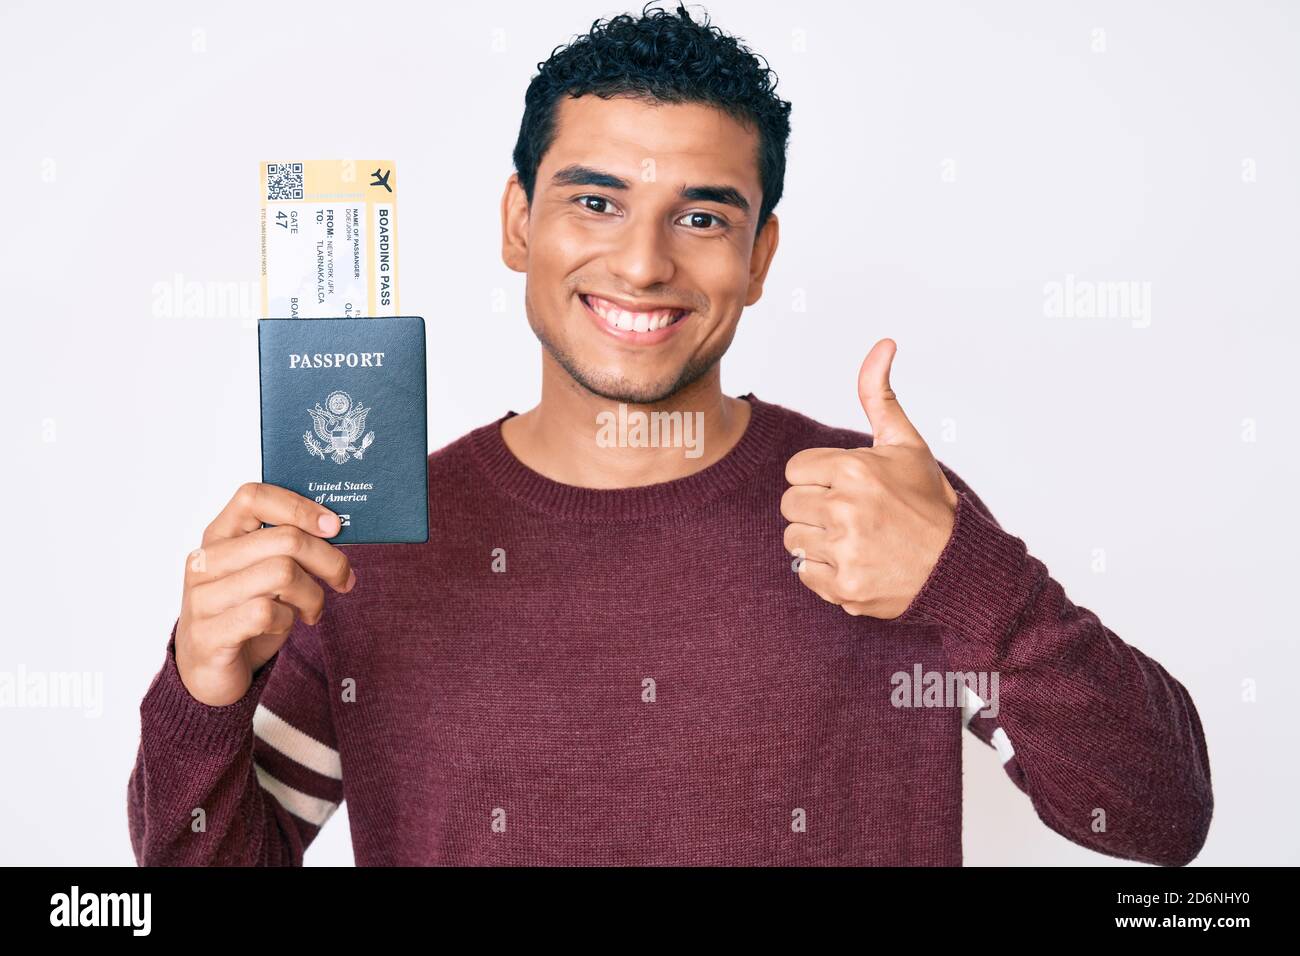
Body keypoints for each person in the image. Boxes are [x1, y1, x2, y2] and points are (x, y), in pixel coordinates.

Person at [127, 2, 1212, 866]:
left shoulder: (883, 513)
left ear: (760, 254)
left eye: (700, 216)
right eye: (595, 202)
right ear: (519, 222)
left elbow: (1158, 820)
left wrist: (978, 584)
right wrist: (202, 689)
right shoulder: (371, 538)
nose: (643, 263)